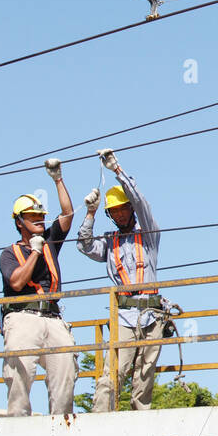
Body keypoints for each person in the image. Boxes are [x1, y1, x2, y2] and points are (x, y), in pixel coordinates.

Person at [78, 149, 165, 412]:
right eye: (113, 212)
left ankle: (141, 423)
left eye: (122, 209)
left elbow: (141, 202)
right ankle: (99, 421)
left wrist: (117, 170)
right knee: (112, 374)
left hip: (151, 313)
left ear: (130, 209)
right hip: (125, 316)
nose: (119, 215)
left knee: (144, 379)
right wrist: (90, 214)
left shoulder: (148, 235)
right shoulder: (109, 242)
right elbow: (84, 245)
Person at [0, 158, 76, 416]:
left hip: (53, 316)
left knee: (66, 372)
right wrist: (34, 252)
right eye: (33, 217)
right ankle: (18, 426)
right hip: (22, 317)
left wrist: (58, 180)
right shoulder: (9, 254)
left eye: (41, 216)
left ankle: (61, 426)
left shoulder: (51, 241)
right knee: (20, 376)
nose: (40, 221)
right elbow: (18, 282)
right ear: (20, 222)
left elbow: (67, 215)